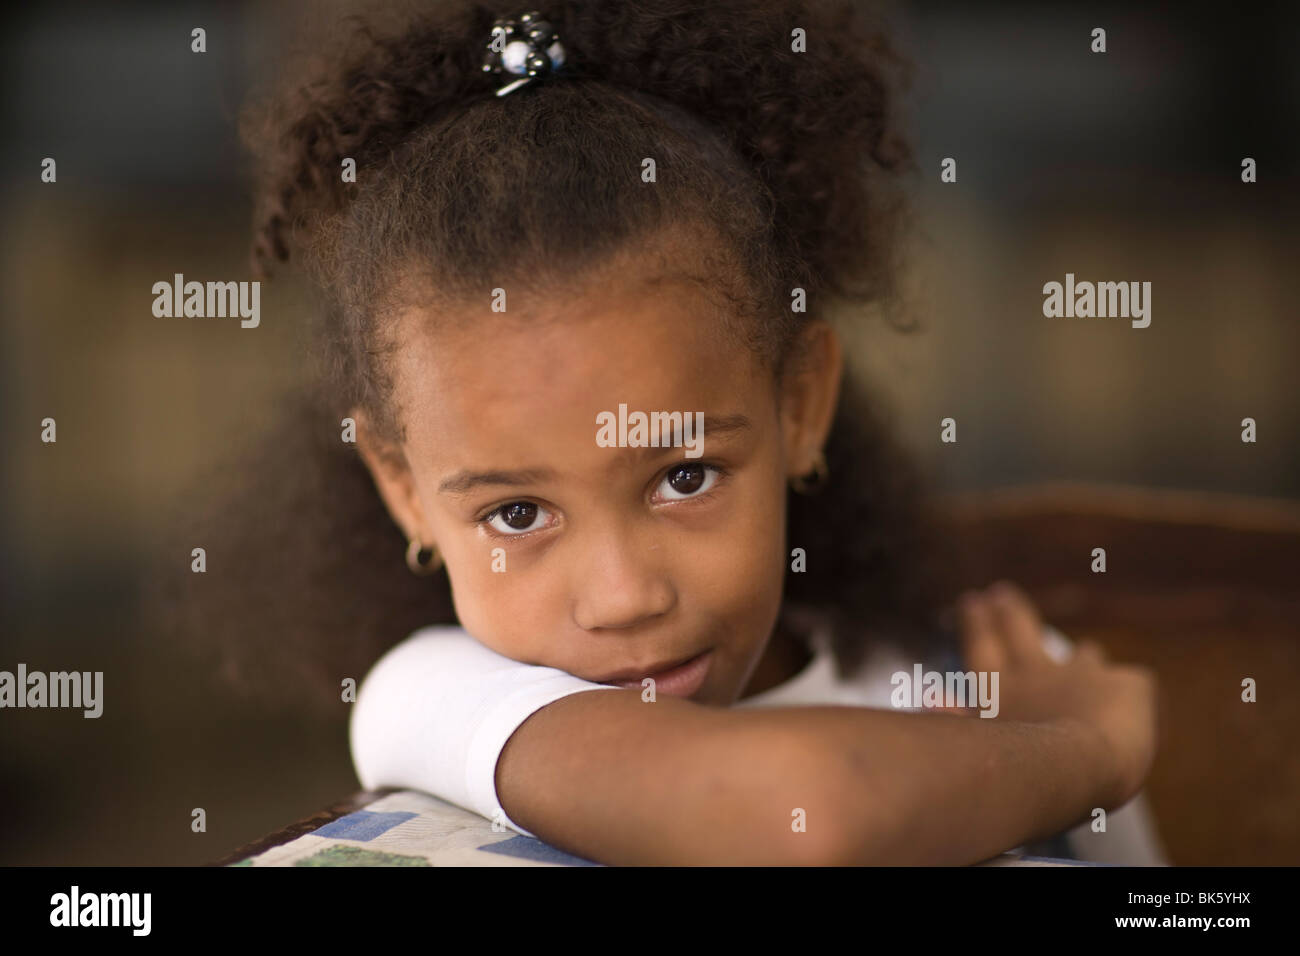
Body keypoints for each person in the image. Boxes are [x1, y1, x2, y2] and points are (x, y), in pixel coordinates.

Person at [232, 0, 1163, 865]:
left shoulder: (985, 675)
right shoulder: (434, 694)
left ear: (798, 404)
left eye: (683, 477)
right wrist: (1095, 750)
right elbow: (809, 811)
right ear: (404, 491)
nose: (624, 596)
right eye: (517, 512)